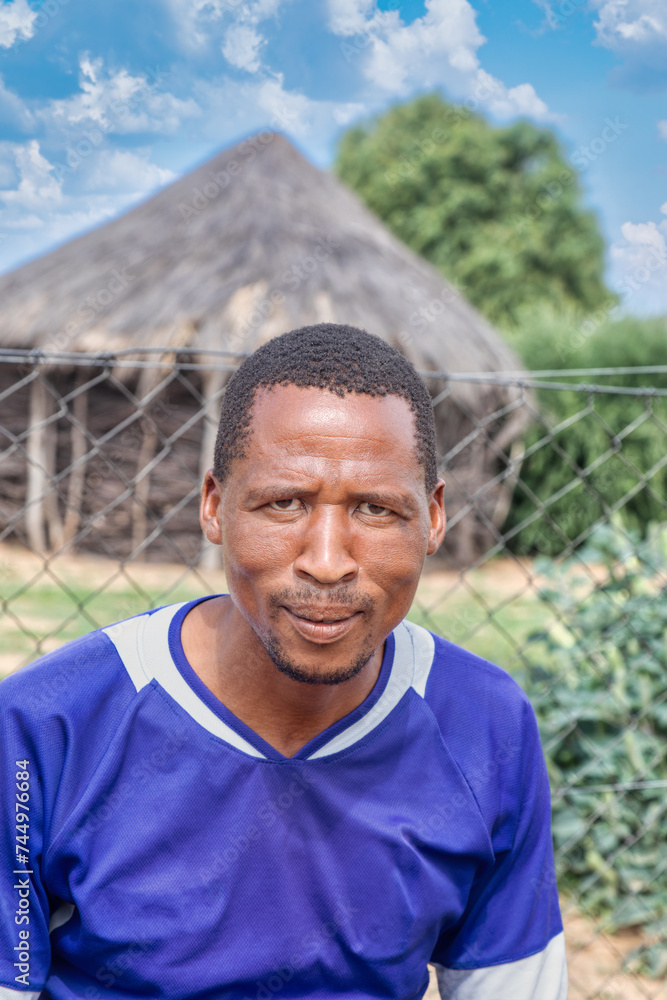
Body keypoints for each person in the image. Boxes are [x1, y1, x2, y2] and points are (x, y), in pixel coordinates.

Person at [0, 323, 567, 1000]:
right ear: (214, 506)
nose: (326, 561)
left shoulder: (485, 725)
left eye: (376, 509)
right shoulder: (47, 725)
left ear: (434, 517)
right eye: (284, 503)